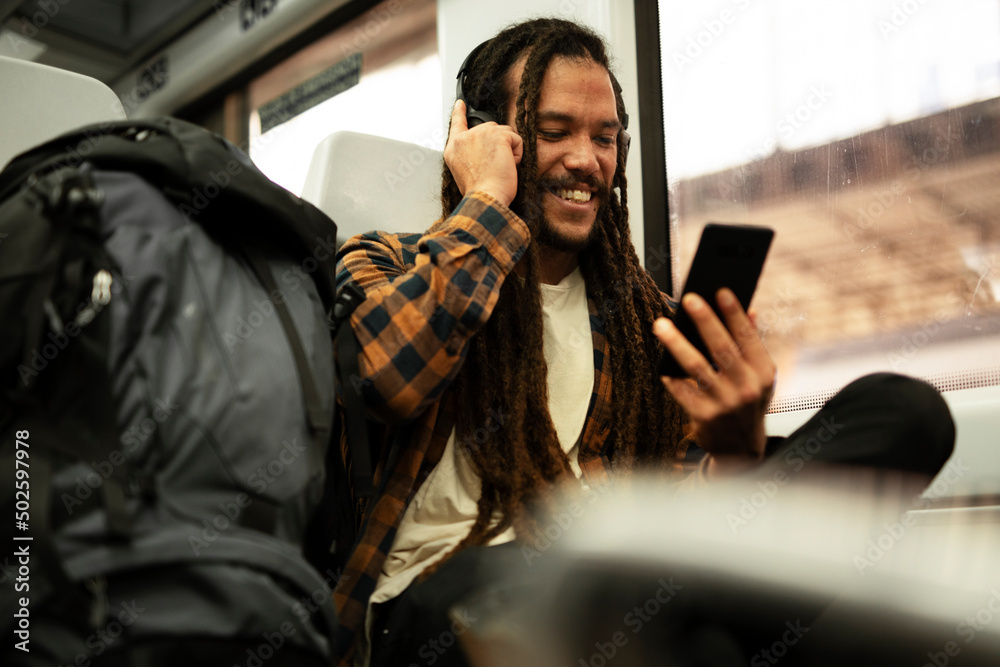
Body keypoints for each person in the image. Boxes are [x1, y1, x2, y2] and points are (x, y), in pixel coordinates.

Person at [331, 17, 954, 667]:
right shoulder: (389, 264)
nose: (586, 159)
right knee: (697, 636)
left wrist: (737, 452)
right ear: (484, 132)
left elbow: (682, 513)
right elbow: (385, 376)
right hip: (450, 597)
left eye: (606, 138)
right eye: (553, 132)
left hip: (626, 581)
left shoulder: (642, 322)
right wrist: (486, 195)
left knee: (904, 411)